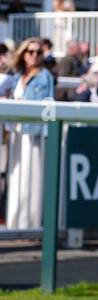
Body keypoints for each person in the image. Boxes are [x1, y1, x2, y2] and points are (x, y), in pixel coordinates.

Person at [2, 38, 54, 229]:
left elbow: (49, 105)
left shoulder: (45, 76)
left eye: (38, 52)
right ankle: (15, 223)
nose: (34, 55)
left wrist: (48, 132)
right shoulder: (17, 76)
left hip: (35, 133)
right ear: (23, 54)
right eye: (30, 52)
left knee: (32, 180)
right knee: (16, 178)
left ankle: (30, 225)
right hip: (16, 131)